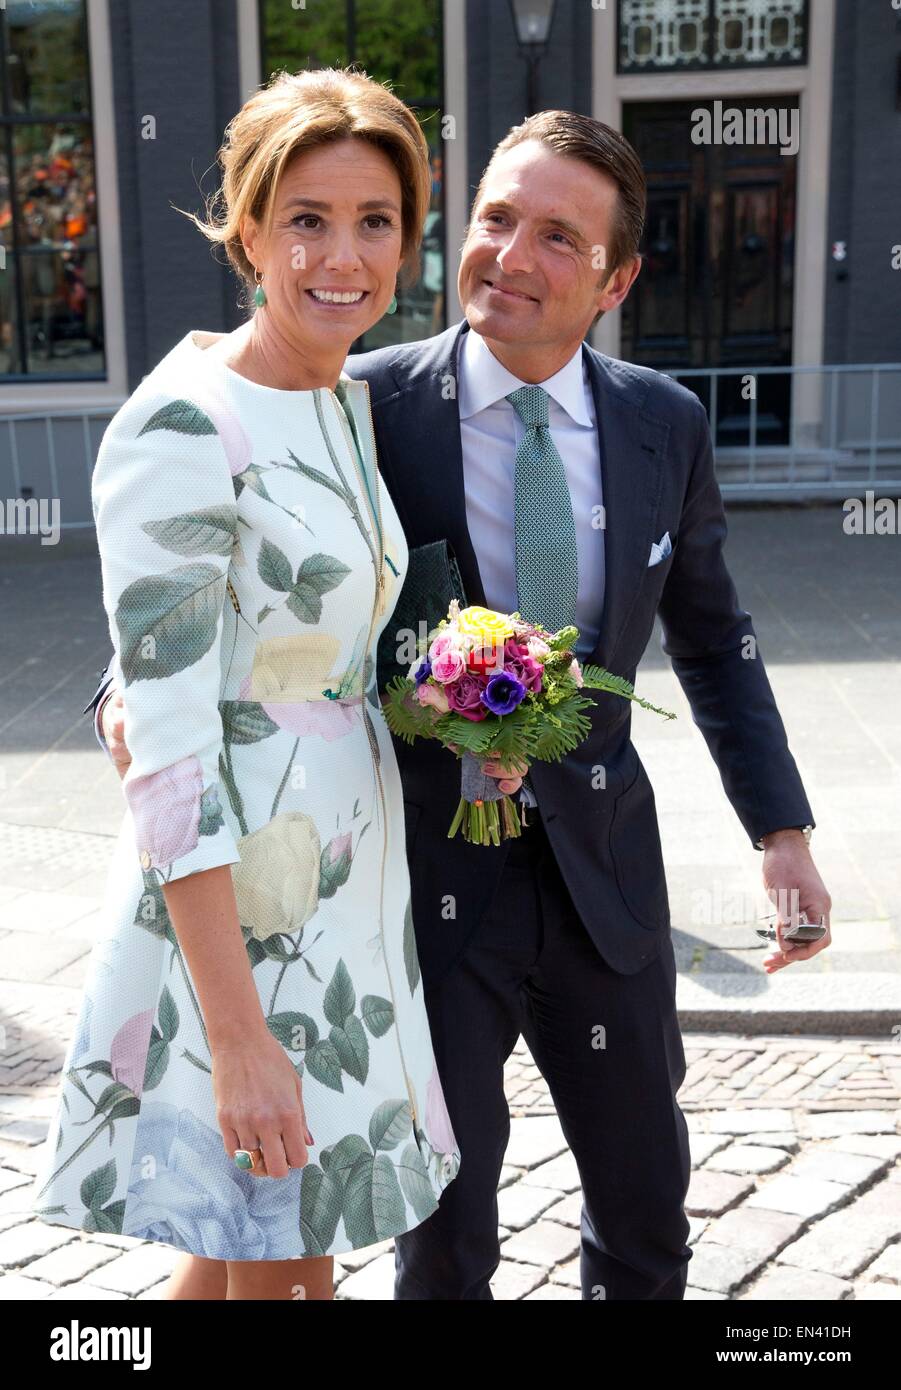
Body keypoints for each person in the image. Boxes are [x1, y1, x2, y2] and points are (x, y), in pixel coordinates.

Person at [90, 109, 832, 1301]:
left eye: (555, 236)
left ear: (616, 278)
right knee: (437, 1227)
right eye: (494, 219)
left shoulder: (664, 423)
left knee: (646, 1209)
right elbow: (222, 577)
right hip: (416, 888)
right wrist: (126, 686)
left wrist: (782, 834)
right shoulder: (359, 398)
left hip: (604, 881)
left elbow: (715, 636)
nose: (509, 256)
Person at [28, 66, 531, 1303]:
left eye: (375, 222)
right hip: (242, 916)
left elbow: (320, 651)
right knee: (267, 1244)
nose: (341, 257)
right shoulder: (185, 424)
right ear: (247, 227)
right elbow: (169, 740)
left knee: (284, 1249)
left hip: (351, 896)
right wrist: (241, 1037)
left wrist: (456, 710)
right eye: (306, 217)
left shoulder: (342, 400)